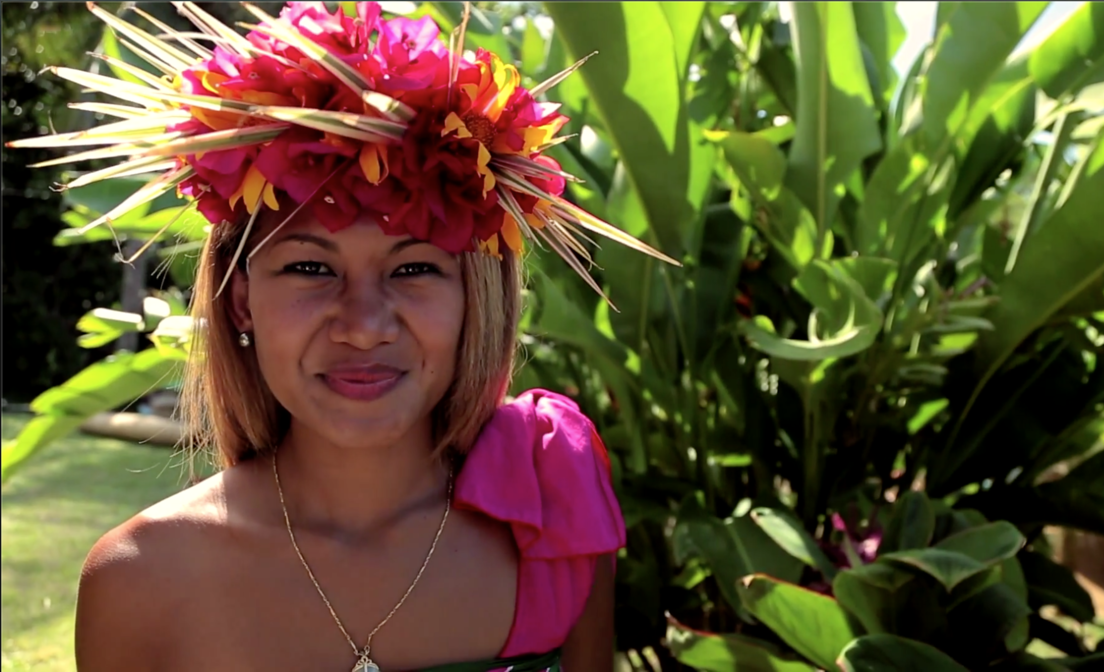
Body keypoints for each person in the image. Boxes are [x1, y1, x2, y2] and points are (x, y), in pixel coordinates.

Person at [9, 2, 676, 670]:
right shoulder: (137, 579)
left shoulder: (551, 513)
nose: (363, 326)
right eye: (309, 268)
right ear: (241, 300)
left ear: (476, 299)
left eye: (414, 268)